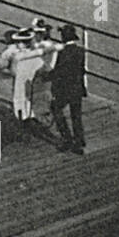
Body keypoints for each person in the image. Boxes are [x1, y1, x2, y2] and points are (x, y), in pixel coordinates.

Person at [46, 25, 87, 154]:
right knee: (76, 115)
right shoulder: (81, 51)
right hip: (77, 88)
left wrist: (46, 77)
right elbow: (81, 70)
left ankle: (67, 138)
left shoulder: (61, 53)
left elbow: (57, 71)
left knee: (56, 109)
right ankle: (79, 140)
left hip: (64, 89)